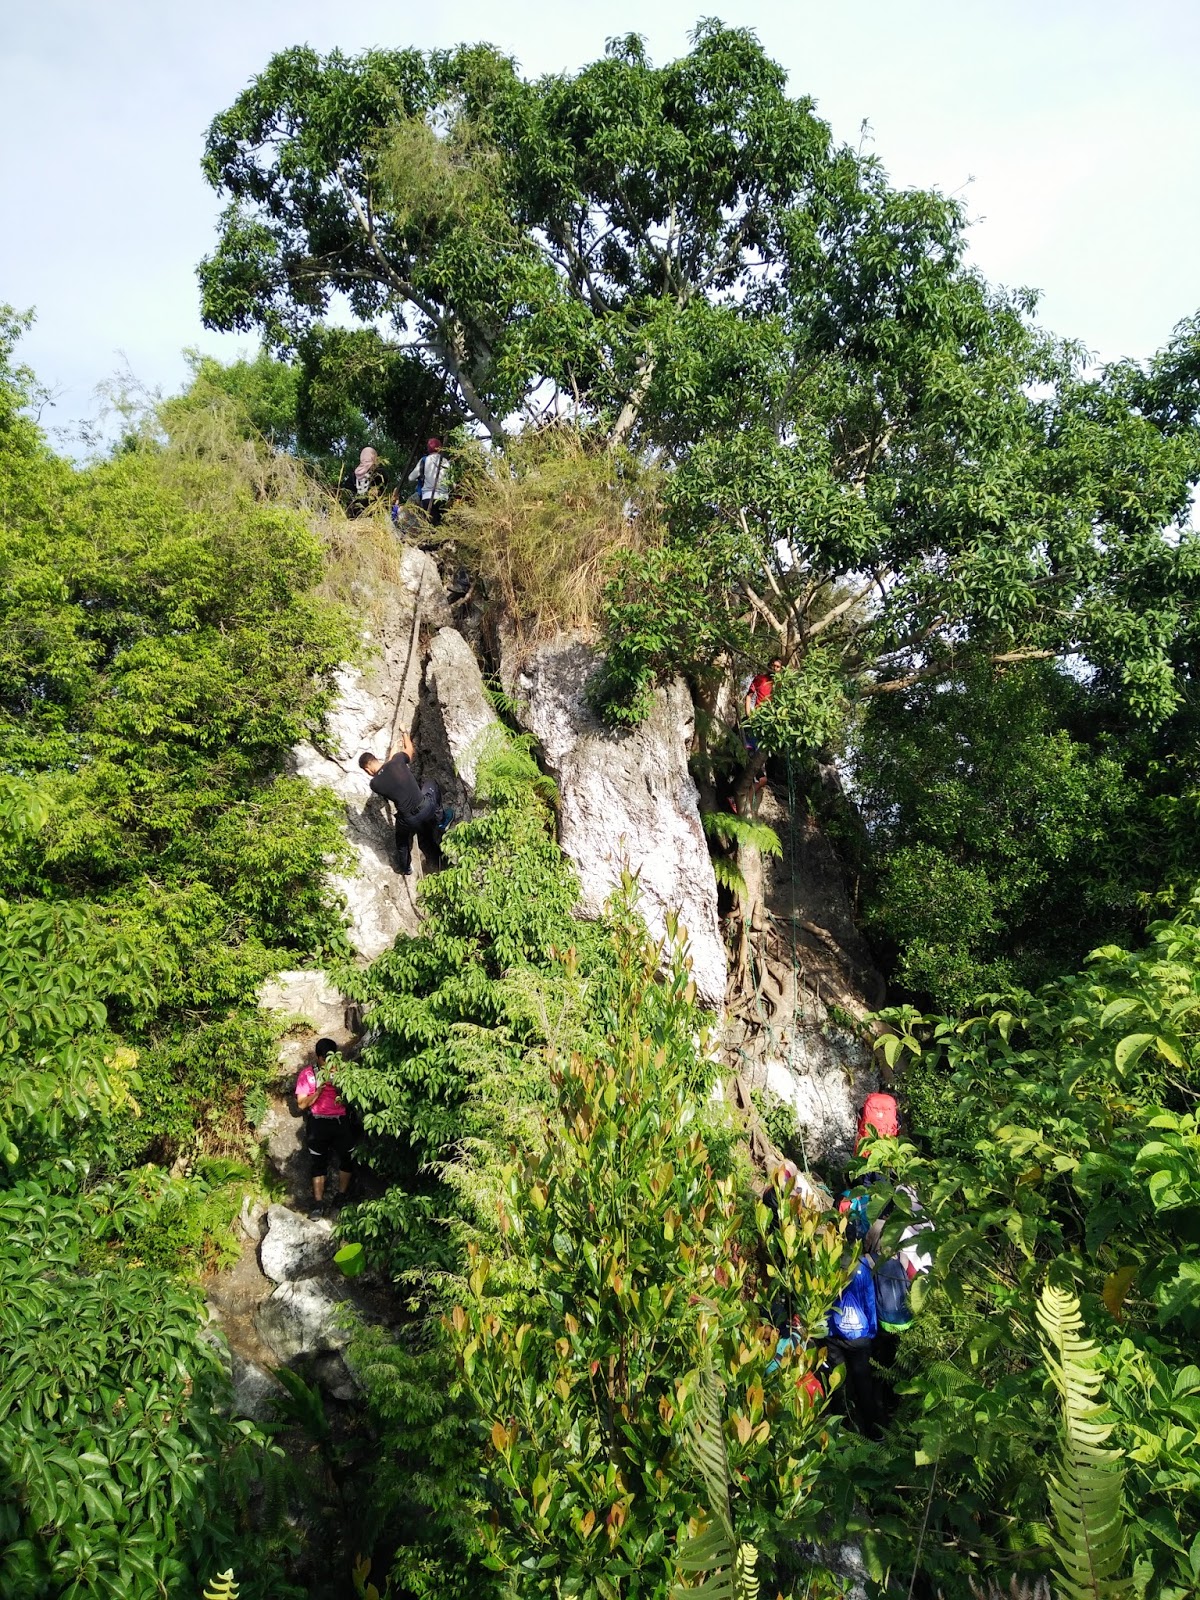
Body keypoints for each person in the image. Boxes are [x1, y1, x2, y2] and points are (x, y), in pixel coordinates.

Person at [359, 731, 444, 876]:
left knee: (401, 841)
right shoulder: (397, 760)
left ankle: (405, 868)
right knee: (431, 784)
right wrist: (404, 734)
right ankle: (441, 818)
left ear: (367, 769)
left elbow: (385, 772)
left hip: (409, 821)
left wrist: (392, 756)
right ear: (375, 759)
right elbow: (409, 751)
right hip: (426, 808)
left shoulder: (375, 784)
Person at [295, 1038, 356, 1216]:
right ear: (318, 1057)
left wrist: (339, 1086)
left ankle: (341, 1195)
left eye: (330, 1059)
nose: (327, 1063)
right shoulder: (308, 1074)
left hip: (340, 1120)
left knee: (347, 1158)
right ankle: (318, 1203)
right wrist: (319, 1089)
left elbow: (353, 1099)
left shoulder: (344, 1072)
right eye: (324, 1059)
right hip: (318, 1122)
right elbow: (301, 1104)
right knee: (318, 1163)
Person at [408, 438, 450, 526]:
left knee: (428, 525)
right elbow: (451, 482)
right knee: (440, 526)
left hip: (427, 497)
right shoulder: (446, 462)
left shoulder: (424, 460)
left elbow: (411, 477)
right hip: (443, 498)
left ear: (428, 449)